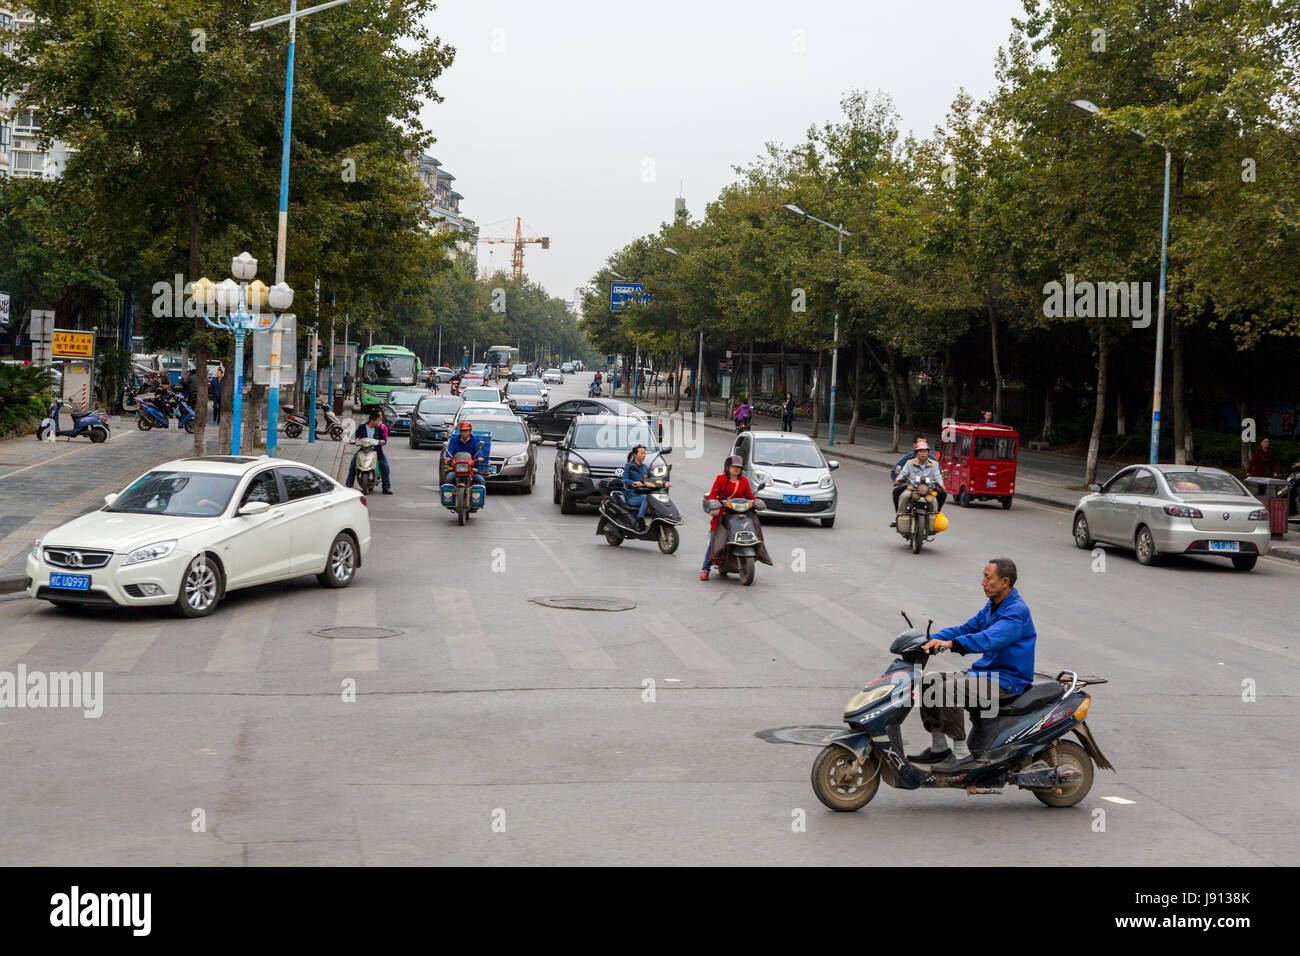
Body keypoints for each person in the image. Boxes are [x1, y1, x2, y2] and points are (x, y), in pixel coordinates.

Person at [911, 558, 1037, 773]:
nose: (982, 582)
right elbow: (966, 628)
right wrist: (931, 640)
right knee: (929, 682)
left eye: (988, 578)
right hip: (985, 673)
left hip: (1007, 680)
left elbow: (989, 639)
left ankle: (962, 754)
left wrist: (951, 644)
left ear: (1005, 581)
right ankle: (940, 747)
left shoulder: (1016, 612)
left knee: (947, 691)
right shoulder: (993, 607)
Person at [700, 454, 755, 581]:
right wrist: (713, 503)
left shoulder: (744, 481)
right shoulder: (720, 479)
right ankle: (705, 569)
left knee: (754, 527)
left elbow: (750, 496)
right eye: (733, 466)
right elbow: (713, 493)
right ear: (728, 467)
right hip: (723, 514)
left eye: (738, 467)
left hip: (739, 514)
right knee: (716, 539)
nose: (736, 469)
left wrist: (756, 501)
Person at [891, 438, 945, 523]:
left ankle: (933, 522)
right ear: (916, 453)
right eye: (921, 451)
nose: (923, 454)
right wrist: (898, 479)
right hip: (912, 489)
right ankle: (899, 518)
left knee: (934, 501)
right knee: (904, 496)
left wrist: (941, 485)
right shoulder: (909, 462)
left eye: (925, 451)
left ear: (928, 453)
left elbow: (938, 476)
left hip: (928, 490)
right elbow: (903, 473)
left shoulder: (934, 464)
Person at [346, 408, 392, 494]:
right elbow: (354, 435)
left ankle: (386, 487)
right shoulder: (362, 427)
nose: (379, 422)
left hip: (377, 451)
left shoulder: (379, 429)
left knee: (385, 466)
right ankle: (349, 485)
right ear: (372, 420)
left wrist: (382, 441)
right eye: (378, 420)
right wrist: (352, 440)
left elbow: (383, 439)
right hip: (363, 450)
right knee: (353, 463)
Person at [621, 444, 666, 529]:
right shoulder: (629, 466)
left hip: (642, 493)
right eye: (641, 453)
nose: (644, 455)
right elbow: (623, 480)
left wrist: (663, 482)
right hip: (632, 495)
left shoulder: (644, 467)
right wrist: (634, 482)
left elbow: (653, 477)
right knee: (647, 498)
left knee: (655, 497)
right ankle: (640, 519)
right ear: (635, 454)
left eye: (645, 453)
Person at [444, 420, 489, 498]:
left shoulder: (475, 440)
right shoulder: (454, 440)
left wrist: (480, 457)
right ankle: (449, 499)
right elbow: (451, 450)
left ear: (470, 431)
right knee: (448, 480)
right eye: (462, 431)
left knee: (481, 481)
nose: (463, 433)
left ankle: (478, 500)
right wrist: (448, 457)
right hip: (456, 467)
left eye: (465, 431)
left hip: (472, 467)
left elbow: (479, 450)